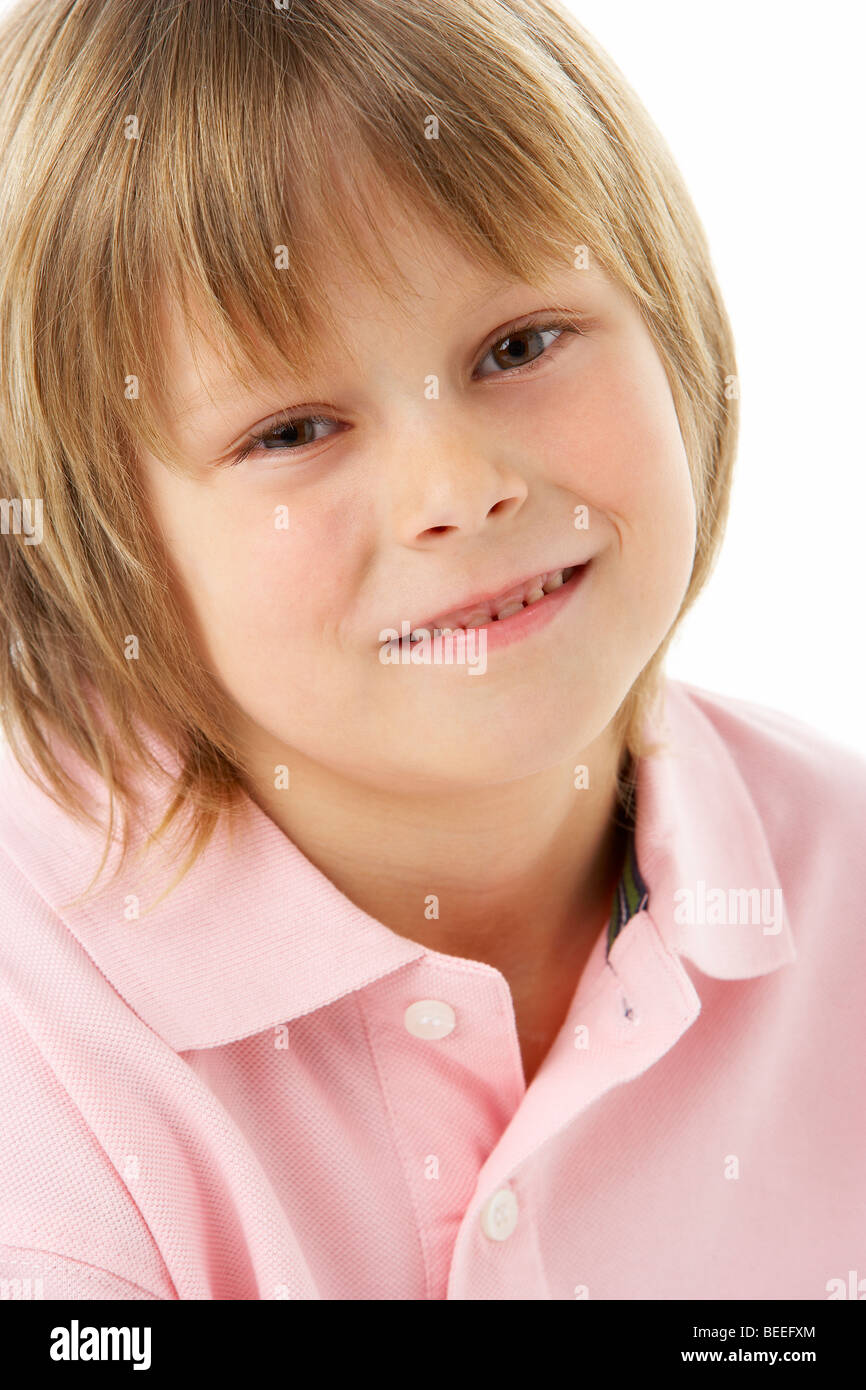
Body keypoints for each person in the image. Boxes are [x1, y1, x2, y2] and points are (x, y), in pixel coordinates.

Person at [0, 0, 862, 1301]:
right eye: (291, 430)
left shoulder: (837, 878)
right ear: (96, 541)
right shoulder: (42, 1039)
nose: (455, 486)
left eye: (518, 346)